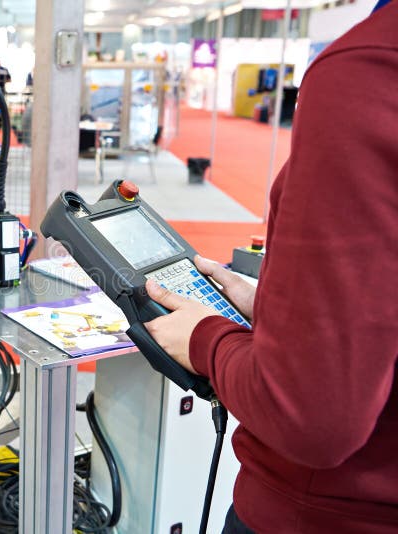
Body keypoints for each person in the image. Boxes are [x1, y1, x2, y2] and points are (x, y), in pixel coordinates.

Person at [141, 4, 398, 533]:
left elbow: (312, 418)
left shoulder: (369, 71)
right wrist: (278, 305)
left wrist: (209, 340)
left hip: (325, 515)